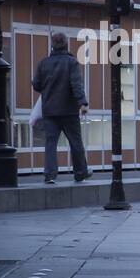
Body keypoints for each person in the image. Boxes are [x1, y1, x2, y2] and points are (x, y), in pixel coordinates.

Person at [32, 31, 91, 185]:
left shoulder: (43, 63)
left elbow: (36, 84)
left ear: (52, 45)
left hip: (50, 110)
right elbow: (76, 85)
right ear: (66, 44)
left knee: (50, 143)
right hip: (69, 112)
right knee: (75, 142)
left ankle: (49, 174)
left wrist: (48, 89)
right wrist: (83, 103)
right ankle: (80, 172)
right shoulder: (71, 62)